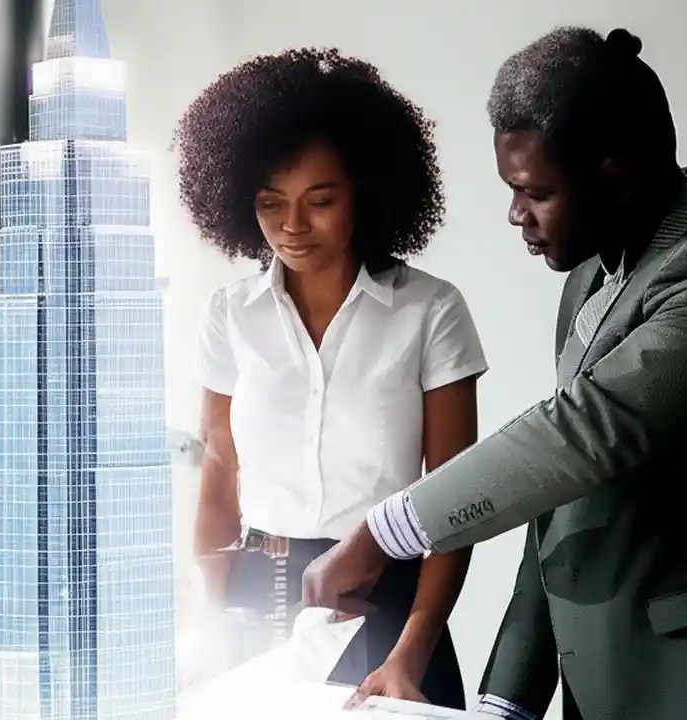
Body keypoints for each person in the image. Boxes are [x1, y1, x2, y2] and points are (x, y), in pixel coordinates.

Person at [301, 26, 687, 720]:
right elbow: (557, 496)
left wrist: (383, 532)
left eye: (535, 193)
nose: (515, 215)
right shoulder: (591, 271)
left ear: (614, 179)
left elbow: (581, 436)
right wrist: (508, 698)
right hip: (594, 687)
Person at [175, 48, 488, 708]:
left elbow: (454, 500)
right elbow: (219, 472)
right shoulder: (229, 316)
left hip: (389, 598)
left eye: (320, 200)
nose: (291, 226)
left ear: (364, 192)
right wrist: (207, 627)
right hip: (256, 599)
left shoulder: (430, 311)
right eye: (270, 203)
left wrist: (413, 649)